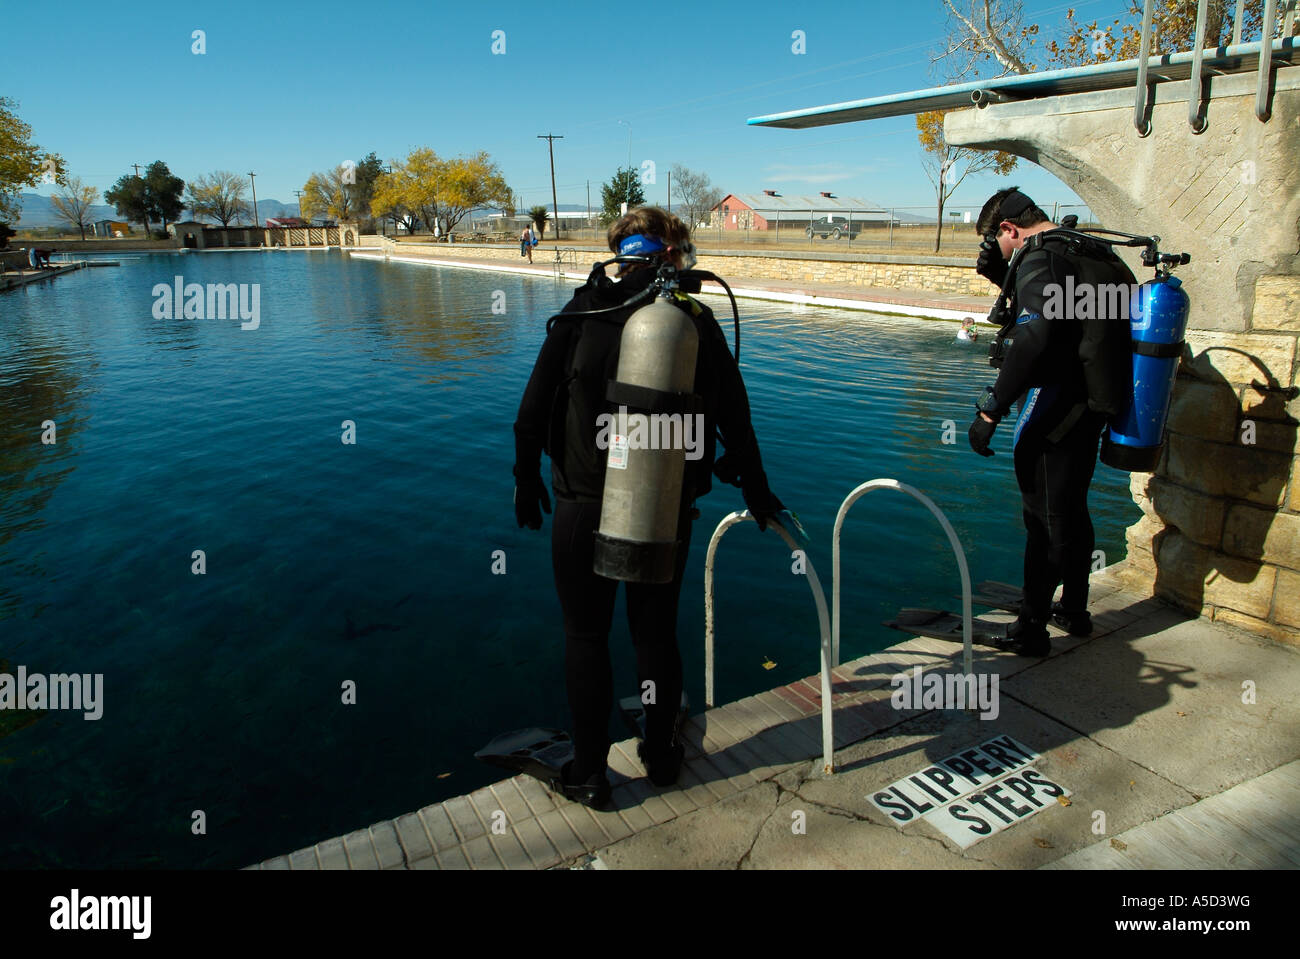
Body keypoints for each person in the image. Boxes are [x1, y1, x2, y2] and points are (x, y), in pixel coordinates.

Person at [512, 206, 784, 807]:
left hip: (581, 506)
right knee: (654, 634)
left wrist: (523, 479)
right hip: (661, 508)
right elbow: (737, 420)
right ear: (672, 253)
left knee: (585, 636)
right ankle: (662, 755)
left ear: (618, 252)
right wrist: (757, 490)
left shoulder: (582, 312)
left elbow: (531, 411)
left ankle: (588, 771)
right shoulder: (692, 321)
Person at [967, 187, 1136, 656]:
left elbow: (1036, 335)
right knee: (1070, 509)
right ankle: (1073, 609)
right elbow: (1074, 317)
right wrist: (1000, 273)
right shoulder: (1095, 253)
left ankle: (1031, 628)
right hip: (1094, 402)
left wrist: (990, 408)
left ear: (1008, 228)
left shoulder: (1043, 257)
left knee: (1043, 520)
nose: (994, 249)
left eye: (993, 241)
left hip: (1055, 403)